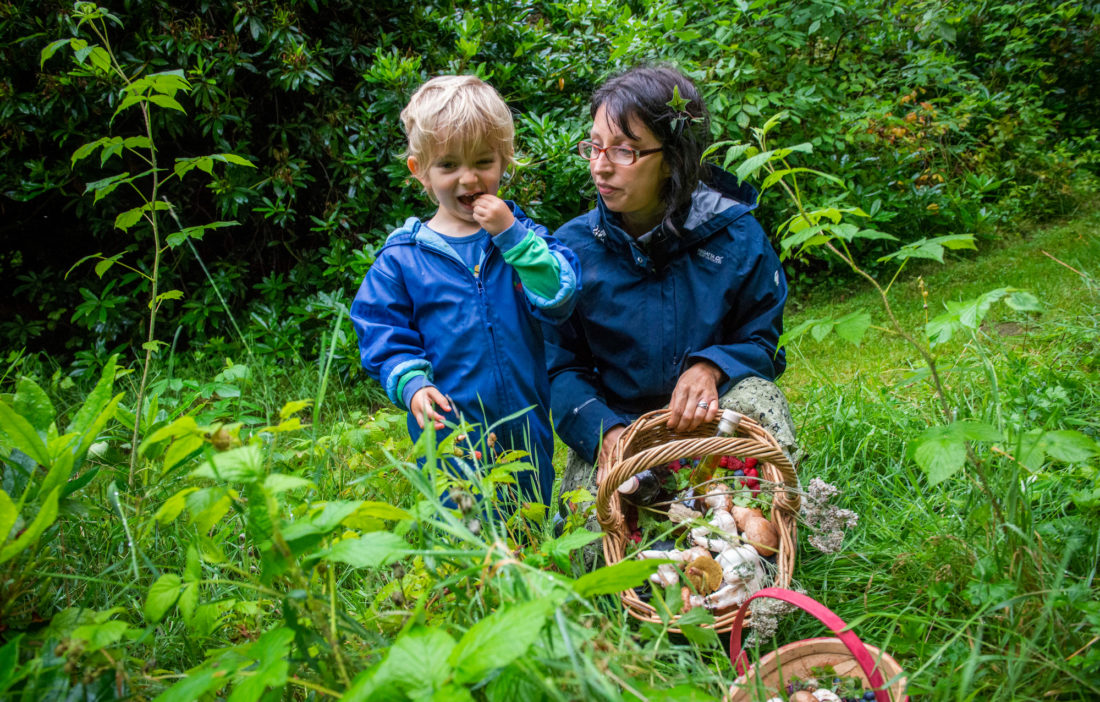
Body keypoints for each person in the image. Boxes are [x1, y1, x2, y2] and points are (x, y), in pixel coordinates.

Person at [546, 65, 799, 532]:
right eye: (594, 146)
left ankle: (767, 542)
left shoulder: (735, 235)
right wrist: (604, 431)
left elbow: (763, 340)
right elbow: (559, 365)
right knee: (583, 538)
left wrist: (711, 366)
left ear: (674, 157)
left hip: (715, 418)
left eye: (625, 150)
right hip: (619, 425)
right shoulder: (570, 252)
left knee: (761, 399)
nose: (600, 165)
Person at [351, 75, 580, 508]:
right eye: (449, 165)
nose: (468, 178)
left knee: (531, 515)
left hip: (524, 418)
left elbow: (560, 296)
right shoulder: (404, 258)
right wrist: (412, 383)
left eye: (483, 162)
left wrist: (511, 236)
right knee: (464, 525)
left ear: (505, 161)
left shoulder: (523, 237)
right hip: (450, 426)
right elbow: (380, 328)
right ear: (420, 171)